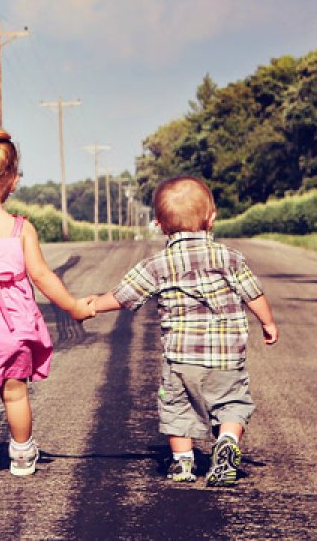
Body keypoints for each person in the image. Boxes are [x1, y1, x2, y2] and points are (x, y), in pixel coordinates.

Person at [78, 175, 279, 486]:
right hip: (227, 357)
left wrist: (92, 305)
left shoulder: (157, 264)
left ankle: (183, 464)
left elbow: (123, 296)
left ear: (159, 224)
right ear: (212, 218)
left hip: (182, 359)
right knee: (231, 404)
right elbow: (253, 293)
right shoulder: (230, 258)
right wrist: (267, 322)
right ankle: (226, 442)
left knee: (178, 408)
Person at [0, 128, 94, 487]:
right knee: (15, 391)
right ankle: (22, 453)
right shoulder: (21, 229)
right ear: (12, 180)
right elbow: (42, 275)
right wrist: (73, 307)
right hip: (12, 327)